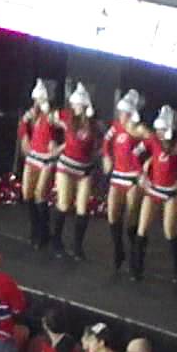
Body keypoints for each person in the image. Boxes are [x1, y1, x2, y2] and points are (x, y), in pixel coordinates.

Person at [132, 105, 177, 282]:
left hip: (172, 193)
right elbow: (134, 153)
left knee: (169, 231)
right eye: (157, 130)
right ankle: (136, 269)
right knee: (142, 228)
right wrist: (141, 173)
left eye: (162, 130)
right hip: (153, 190)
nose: (158, 133)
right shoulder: (153, 141)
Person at [48, 84, 102, 259]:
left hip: (85, 169)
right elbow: (49, 119)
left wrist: (99, 155)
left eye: (77, 104)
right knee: (64, 204)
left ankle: (77, 246)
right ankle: (56, 241)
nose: (74, 107)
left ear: (85, 105)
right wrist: (54, 142)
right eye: (73, 104)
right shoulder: (66, 116)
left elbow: (100, 144)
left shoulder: (94, 124)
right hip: (66, 166)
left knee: (82, 208)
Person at [103, 89, 147, 271]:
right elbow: (106, 142)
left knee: (131, 216)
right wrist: (107, 157)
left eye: (124, 113)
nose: (120, 115)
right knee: (112, 214)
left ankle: (135, 255)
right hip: (117, 175)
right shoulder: (115, 126)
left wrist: (142, 159)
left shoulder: (137, 129)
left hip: (133, 177)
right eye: (119, 112)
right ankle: (118, 250)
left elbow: (152, 142)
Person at [18, 79, 59, 250]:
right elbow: (22, 126)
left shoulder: (52, 114)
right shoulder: (31, 114)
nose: (38, 102)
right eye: (36, 99)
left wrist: (59, 147)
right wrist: (24, 137)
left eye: (41, 99)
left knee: (40, 193)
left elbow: (65, 128)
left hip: (46, 158)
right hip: (33, 156)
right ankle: (35, 228)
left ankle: (43, 232)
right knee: (27, 193)